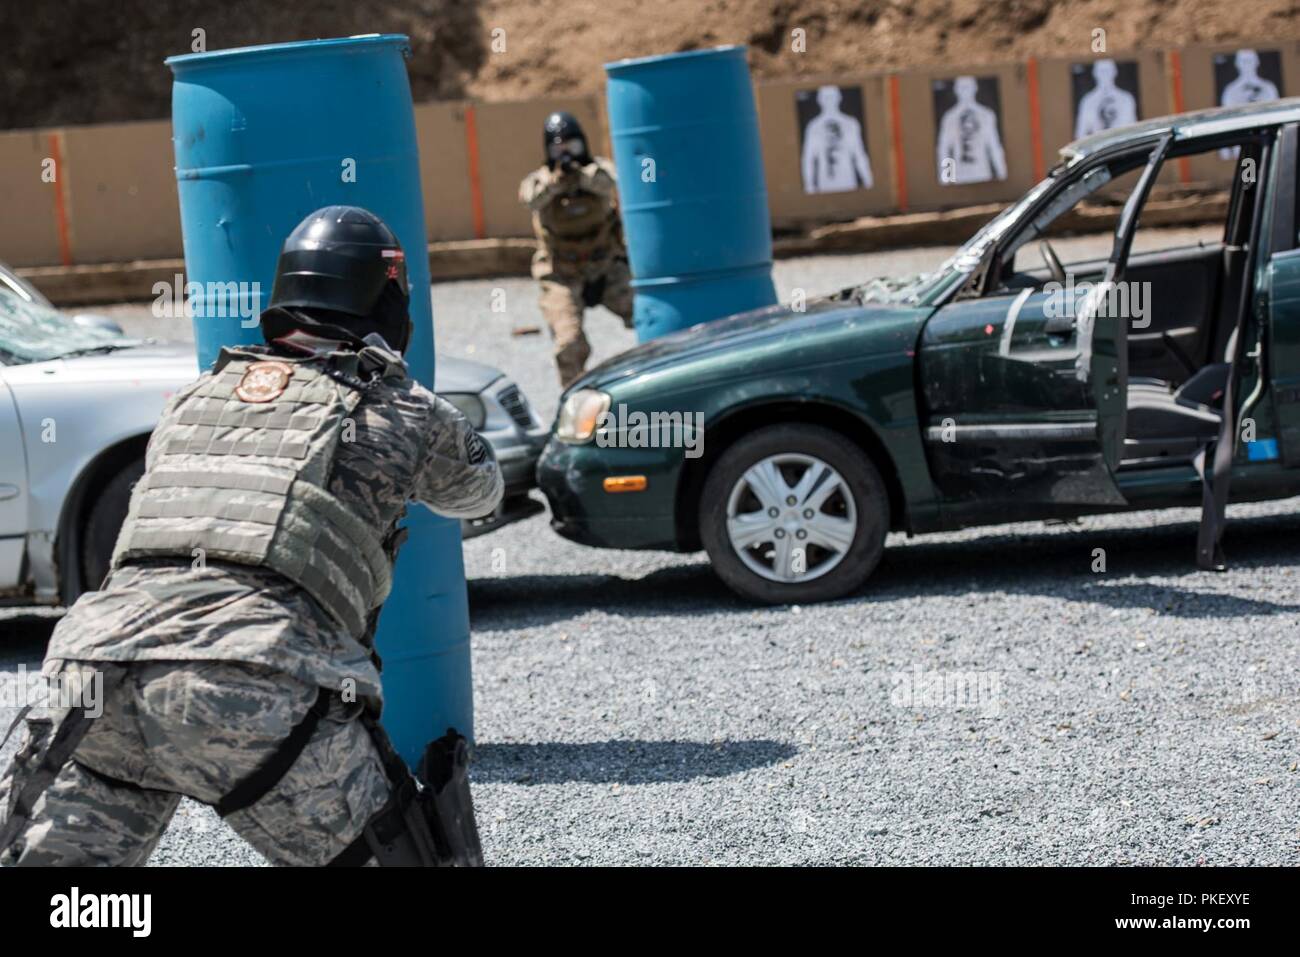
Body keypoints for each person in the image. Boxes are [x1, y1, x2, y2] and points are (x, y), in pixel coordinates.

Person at [0, 206, 502, 867]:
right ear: (385, 304)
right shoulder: (397, 406)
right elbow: (482, 488)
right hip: (255, 683)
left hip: (95, 680)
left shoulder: (194, 397)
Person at [519, 111, 633, 387]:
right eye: (559, 148)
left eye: (572, 146)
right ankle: (575, 401)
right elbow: (529, 199)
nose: (566, 153)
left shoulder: (598, 170)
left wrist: (581, 176)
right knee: (569, 344)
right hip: (562, 274)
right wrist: (556, 182)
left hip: (607, 267)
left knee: (650, 315)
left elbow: (612, 182)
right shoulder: (539, 180)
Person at [801, 85, 874, 194]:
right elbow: (808, 158)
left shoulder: (850, 123)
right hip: (824, 184)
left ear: (839, 98)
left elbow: (859, 154)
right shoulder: (814, 126)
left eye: (832, 96)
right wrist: (809, 185)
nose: (829, 101)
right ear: (819, 100)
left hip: (848, 181)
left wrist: (868, 180)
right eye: (826, 97)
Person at [936, 76, 1007, 186]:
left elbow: (994, 146)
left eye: (968, 87)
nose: (965, 91)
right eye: (961, 87)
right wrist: (946, 179)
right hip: (959, 176)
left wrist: (1002, 173)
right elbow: (944, 150)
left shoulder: (986, 115)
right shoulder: (949, 117)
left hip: (982, 173)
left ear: (975, 88)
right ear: (956, 90)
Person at [1074, 59, 1139, 139]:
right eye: (1101, 71)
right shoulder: (1087, 101)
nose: (1105, 75)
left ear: (1114, 72)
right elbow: (1080, 134)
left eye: (1108, 70)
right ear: (1095, 73)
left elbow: (1134, 130)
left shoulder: (1126, 98)